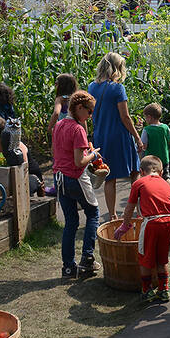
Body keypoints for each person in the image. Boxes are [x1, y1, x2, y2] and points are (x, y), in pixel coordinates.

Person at [52, 91, 102, 279]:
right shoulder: (77, 129)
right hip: (74, 177)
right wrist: (94, 155)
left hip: (59, 178)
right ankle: (87, 259)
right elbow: (79, 162)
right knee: (93, 213)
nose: (90, 116)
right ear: (79, 108)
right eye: (89, 112)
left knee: (71, 222)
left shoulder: (59, 125)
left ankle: (68, 267)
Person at [88, 52, 143, 220]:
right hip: (119, 136)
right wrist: (137, 137)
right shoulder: (117, 88)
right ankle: (139, 212)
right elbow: (124, 117)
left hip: (101, 136)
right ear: (117, 68)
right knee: (135, 172)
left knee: (109, 176)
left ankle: (112, 215)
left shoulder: (92, 86)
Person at [114, 155, 170, 303]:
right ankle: (164, 289)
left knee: (145, 258)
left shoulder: (139, 182)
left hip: (152, 223)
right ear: (160, 172)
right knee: (162, 258)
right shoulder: (166, 183)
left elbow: (129, 207)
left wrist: (125, 225)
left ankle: (147, 290)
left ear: (141, 171)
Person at [0, 116, 44, 196]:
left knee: (22, 190)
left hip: (30, 175)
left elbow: (23, 170)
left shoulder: (17, 146)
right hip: (7, 175)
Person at [139, 103, 170, 181]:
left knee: (150, 178)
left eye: (145, 117)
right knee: (166, 177)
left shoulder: (147, 130)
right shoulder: (165, 127)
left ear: (149, 117)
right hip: (164, 159)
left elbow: (144, 146)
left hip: (151, 160)